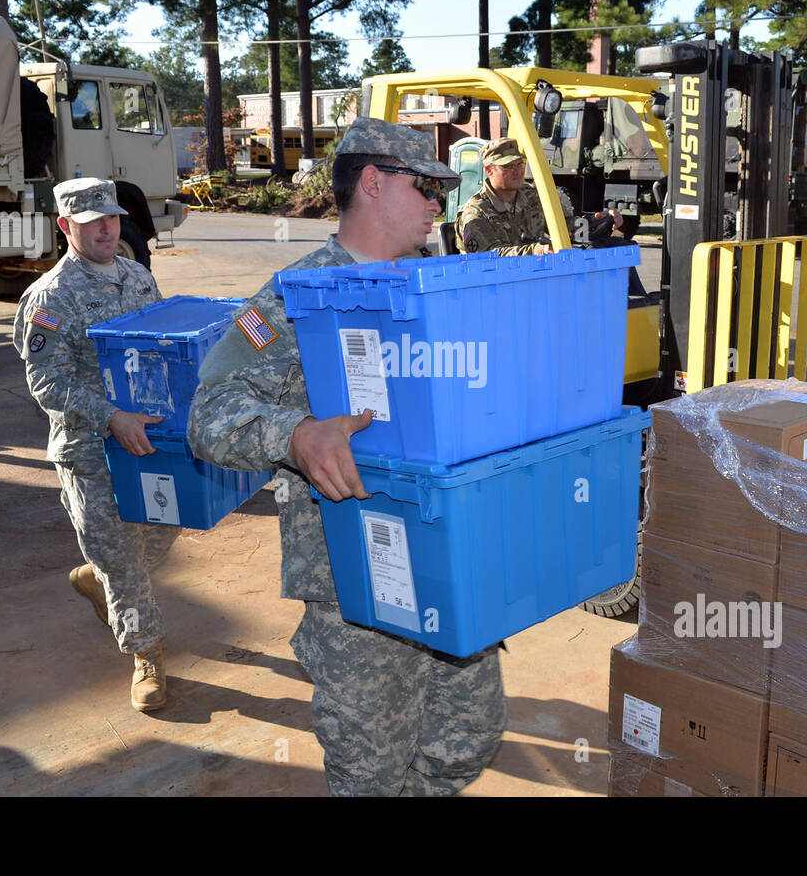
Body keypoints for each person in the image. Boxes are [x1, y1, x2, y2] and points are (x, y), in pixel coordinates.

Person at [187, 118, 508, 796]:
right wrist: (296, 434)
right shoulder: (293, 298)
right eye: (426, 187)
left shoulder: (439, 289)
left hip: (448, 558)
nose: (437, 204)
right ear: (373, 182)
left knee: (466, 736)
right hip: (354, 578)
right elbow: (208, 414)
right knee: (371, 767)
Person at [12, 177, 181, 713]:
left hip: (148, 440)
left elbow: (159, 346)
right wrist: (111, 416)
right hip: (88, 448)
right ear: (66, 227)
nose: (107, 229)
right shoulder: (50, 296)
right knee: (122, 557)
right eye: (91, 223)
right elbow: (46, 382)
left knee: (161, 534)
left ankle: (96, 577)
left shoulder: (137, 276)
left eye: (110, 218)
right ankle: (145, 653)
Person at [454, 137, 622, 255]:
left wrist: (596, 221)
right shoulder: (476, 212)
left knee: (614, 247)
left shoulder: (529, 195)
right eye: (508, 167)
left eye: (520, 164)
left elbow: (563, 226)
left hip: (536, 276)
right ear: (489, 170)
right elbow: (490, 257)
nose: (518, 171)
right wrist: (538, 250)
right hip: (498, 289)